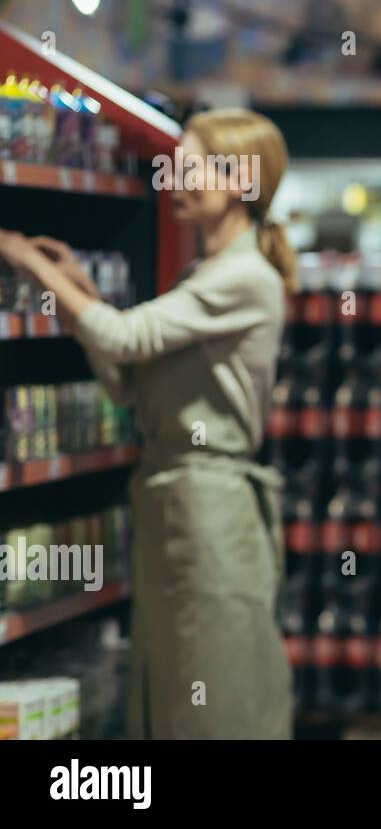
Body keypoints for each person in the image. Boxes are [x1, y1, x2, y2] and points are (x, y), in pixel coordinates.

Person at [0, 108, 298, 738]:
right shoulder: (204, 276)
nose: (173, 182)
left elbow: (126, 336)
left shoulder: (247, 278)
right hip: (173, 500)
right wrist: (81, 289)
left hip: (210, 507)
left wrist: (34, 266)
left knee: (210, 694)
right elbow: (128, 383)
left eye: (189, 169)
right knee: (168, 687)